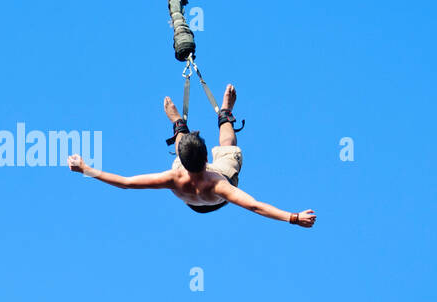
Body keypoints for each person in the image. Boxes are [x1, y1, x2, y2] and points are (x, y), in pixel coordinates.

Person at [67, 83, 317, 226]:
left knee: (186, 148)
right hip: (212, 197)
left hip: (192, 197)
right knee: (229, 151)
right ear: (207, 156)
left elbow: (126, 183)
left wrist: (86, 169)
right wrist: (293, 218)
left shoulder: (174, 177)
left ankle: (178, 124)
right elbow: (254, 206)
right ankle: (225, 113)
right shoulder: (220, 185)